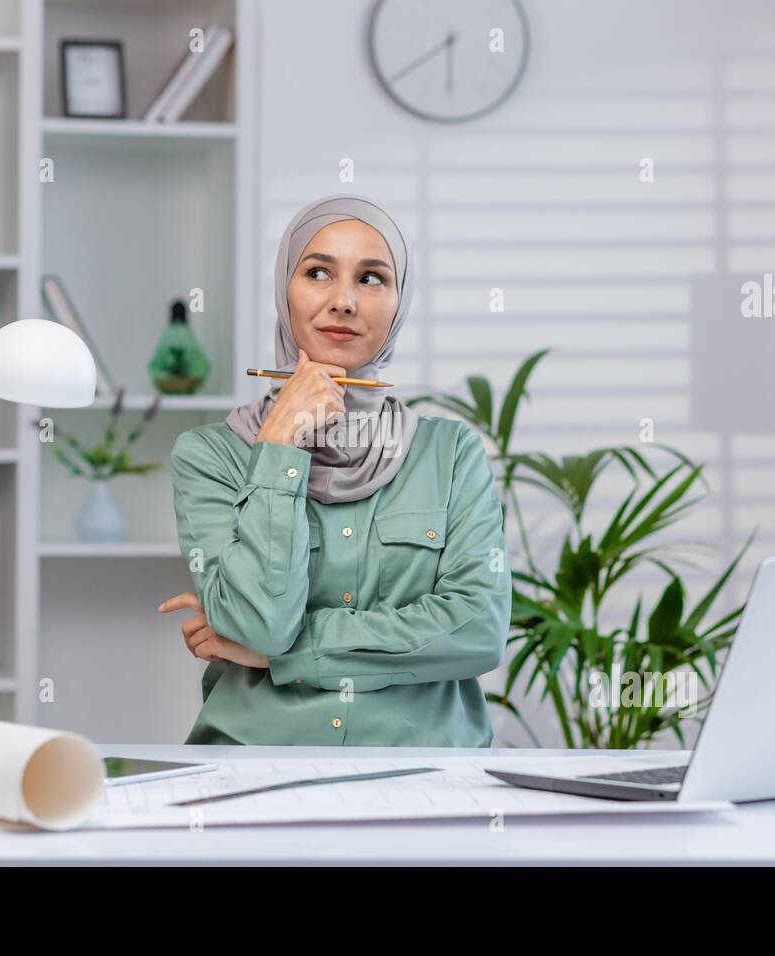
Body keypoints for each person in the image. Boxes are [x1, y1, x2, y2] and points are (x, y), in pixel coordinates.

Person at [157, 193, 510, 746]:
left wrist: (288, 653)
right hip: (252, 771)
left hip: (428, 781)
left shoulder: (453, 453)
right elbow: (260, 624)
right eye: (319, 272)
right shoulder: (209, 455)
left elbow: (478, 632)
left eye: (372, 279)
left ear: (399, 303)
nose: (344, 301)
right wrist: (280, 445)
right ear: (285, 291)